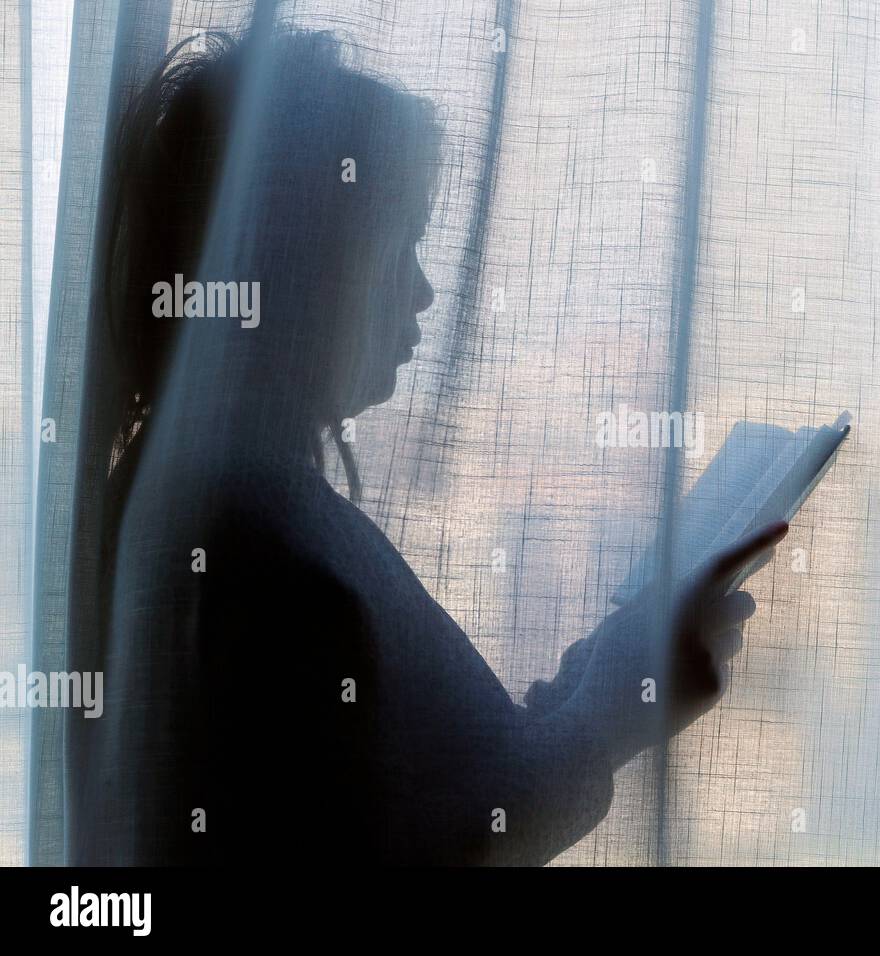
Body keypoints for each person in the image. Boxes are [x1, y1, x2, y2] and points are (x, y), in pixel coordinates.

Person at [70, 27, 787, 865]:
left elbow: (434, 783)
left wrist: (607, 677)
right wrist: (606, 719)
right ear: (299, 258)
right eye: (396, 242)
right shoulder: (251, 533)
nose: (423, 290)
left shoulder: (231, 497)